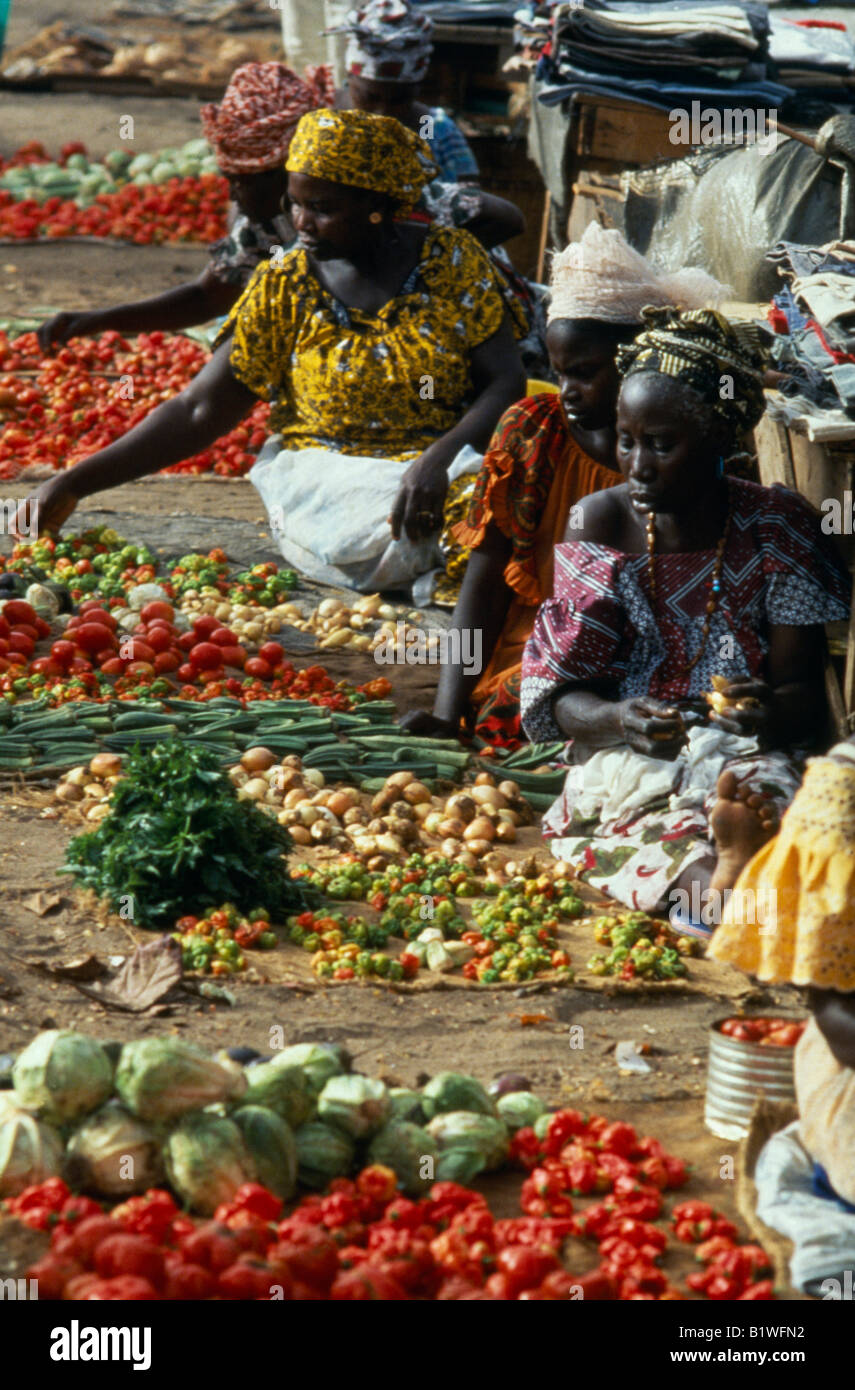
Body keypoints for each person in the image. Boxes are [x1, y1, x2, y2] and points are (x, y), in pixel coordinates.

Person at [15, 109, 525, 597]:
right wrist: (73, 482)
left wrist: (438, 459)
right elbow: (198, 409)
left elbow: (505, 381)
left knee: (510, 506)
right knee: (482, 541)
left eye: (323, 209)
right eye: (295, 204)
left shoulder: (451, 261)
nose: (302, 223)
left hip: (445, 464)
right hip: (329, 478)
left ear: (380, 204)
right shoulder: (286, 285)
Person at [518, 306, 850, 923]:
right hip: (631, 756)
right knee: (642, 828)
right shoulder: (602, 524)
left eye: (662, 445)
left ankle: (734, 891)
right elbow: (562, 697)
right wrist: (620, 717)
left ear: (719, 442)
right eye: (626, 440)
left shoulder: (774, 526)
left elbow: (801, 690)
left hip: (746, 750)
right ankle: (727, 893)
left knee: (764, 798)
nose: (637, 465)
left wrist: (764, 708)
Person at [399, 224, 726, 747]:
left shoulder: (678, 452)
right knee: (524, 711)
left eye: (585, 372)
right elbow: (481, 586)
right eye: (558, 372)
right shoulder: (532, 431)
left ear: (637, 361)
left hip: (648, 656)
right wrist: (447, 714)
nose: (568, 391)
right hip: (539, 649)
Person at [35, 62, 335, 351]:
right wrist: (98, 320)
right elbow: (206, 298)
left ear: (285, 175)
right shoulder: (260, 226)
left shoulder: (348, 221)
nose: (232, 195)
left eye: (242, 182)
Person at [707, 741, 855, 1208]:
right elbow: (836, 1013)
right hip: (847, 1050)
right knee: (815, 946)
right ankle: (744, 893)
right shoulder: (842, 795)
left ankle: (746, 896)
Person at [330, 0, 479, 184]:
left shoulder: (428, 126)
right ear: (349, 78)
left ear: (417, 90)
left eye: (399, 100)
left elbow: (468, 193)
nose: (383, 112)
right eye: (371, 97)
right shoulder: (324, 112)